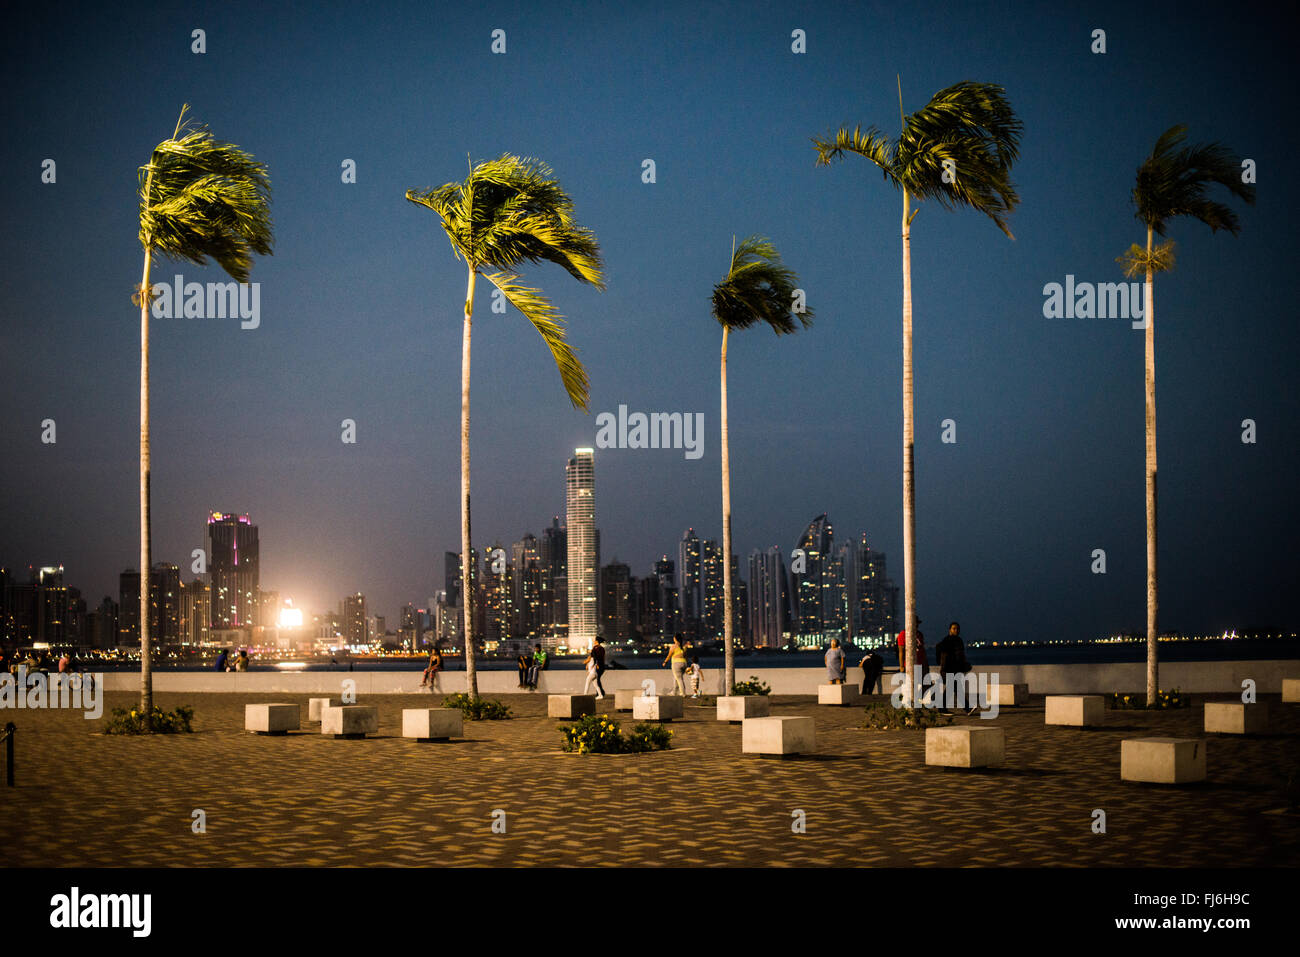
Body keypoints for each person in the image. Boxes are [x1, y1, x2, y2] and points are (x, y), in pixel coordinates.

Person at [936, 621, 975, 713]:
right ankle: (966, 708)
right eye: (954, 628)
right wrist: (944, 670)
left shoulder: (959, 640)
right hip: (949, 669)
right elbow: (944, 656)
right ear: (950, 630)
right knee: (954, 688)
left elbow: (961, 655)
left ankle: (943, 708)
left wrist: (963, 665)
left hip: (956, 668)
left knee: (953, 688)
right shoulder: (947, 641)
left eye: (957, 629)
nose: (956, 630)